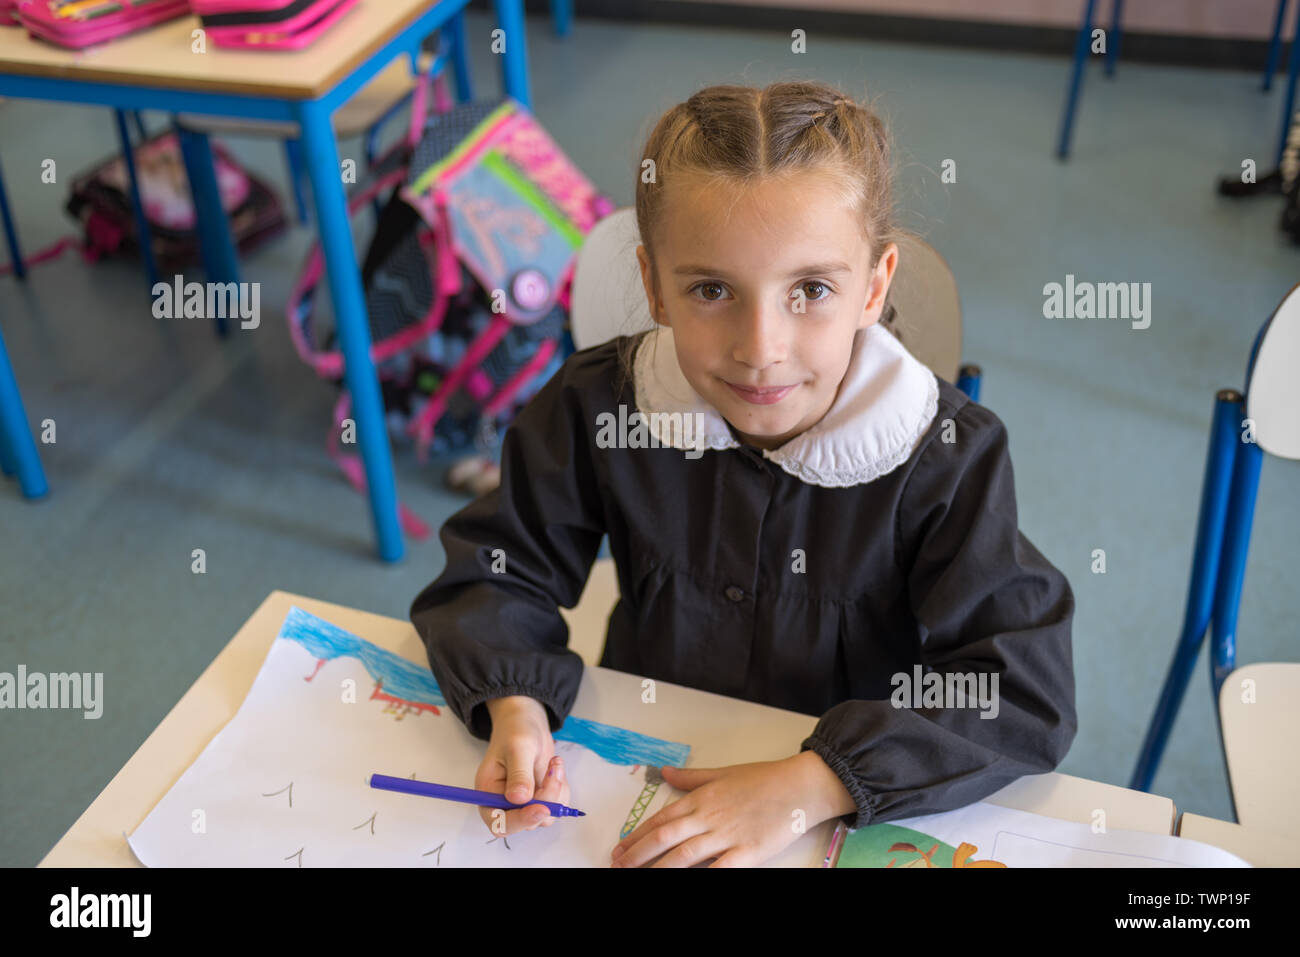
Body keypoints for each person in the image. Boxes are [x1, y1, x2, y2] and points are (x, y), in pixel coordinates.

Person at [410, 79, 1077, 867]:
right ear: (654, 286)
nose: (760, 347)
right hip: (649, 765)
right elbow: (499, 567)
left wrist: (817, 781)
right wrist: (513, 699)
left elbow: (1019, 689)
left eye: (812, 290)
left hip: (845, 812)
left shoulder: (947, 456)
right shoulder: (601, 407)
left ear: (874, 285)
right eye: (712, 289)